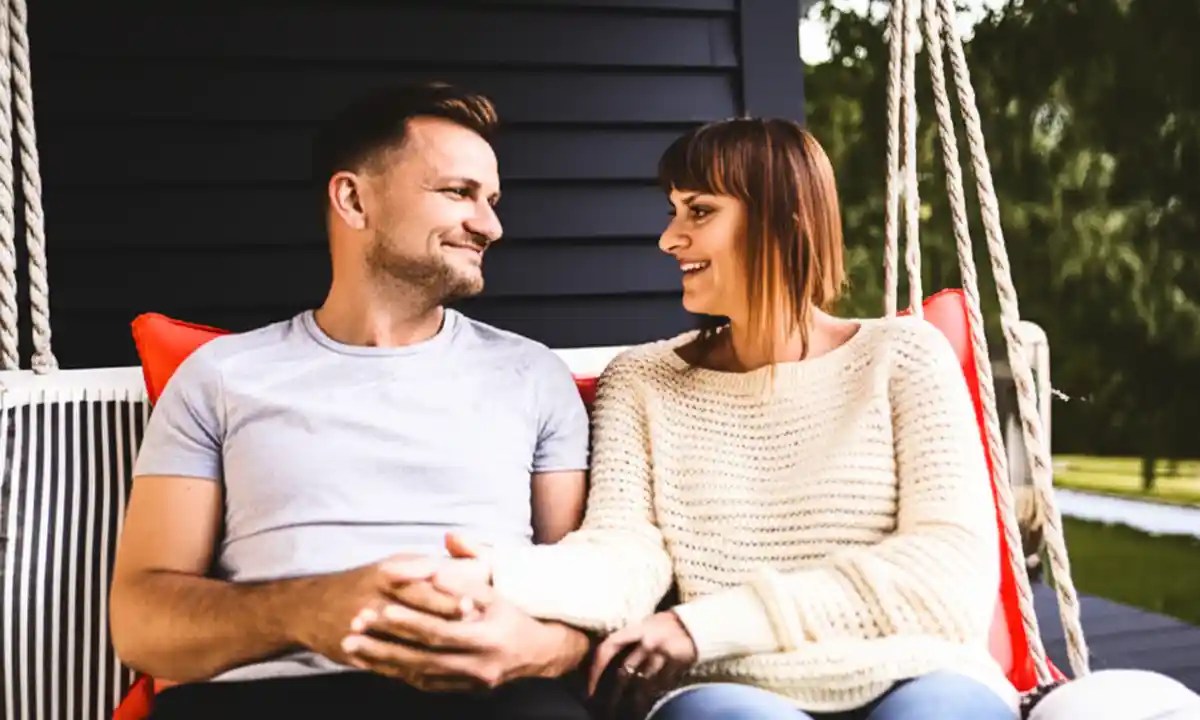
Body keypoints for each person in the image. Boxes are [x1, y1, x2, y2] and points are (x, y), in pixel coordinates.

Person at [370, 118, 1023, 720]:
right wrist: (498, 575)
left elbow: (945, 575)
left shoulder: (904, 358)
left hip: (917, 672)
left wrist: (702, 625)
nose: (669, 239)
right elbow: (622, 555)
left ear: (782, 220)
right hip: (734, 690)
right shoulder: (644, 382)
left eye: (700, 212)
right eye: (673, 211)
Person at [108, 82, 597, 719]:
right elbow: (141, 625)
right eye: (459, 192)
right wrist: (309, 610)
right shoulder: (221, 376)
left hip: (486, 697)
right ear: (353, 199)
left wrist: (540, 650)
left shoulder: (532, 375)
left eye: (492, 200)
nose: (490, 225)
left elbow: (586, 591)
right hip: (262, 698)